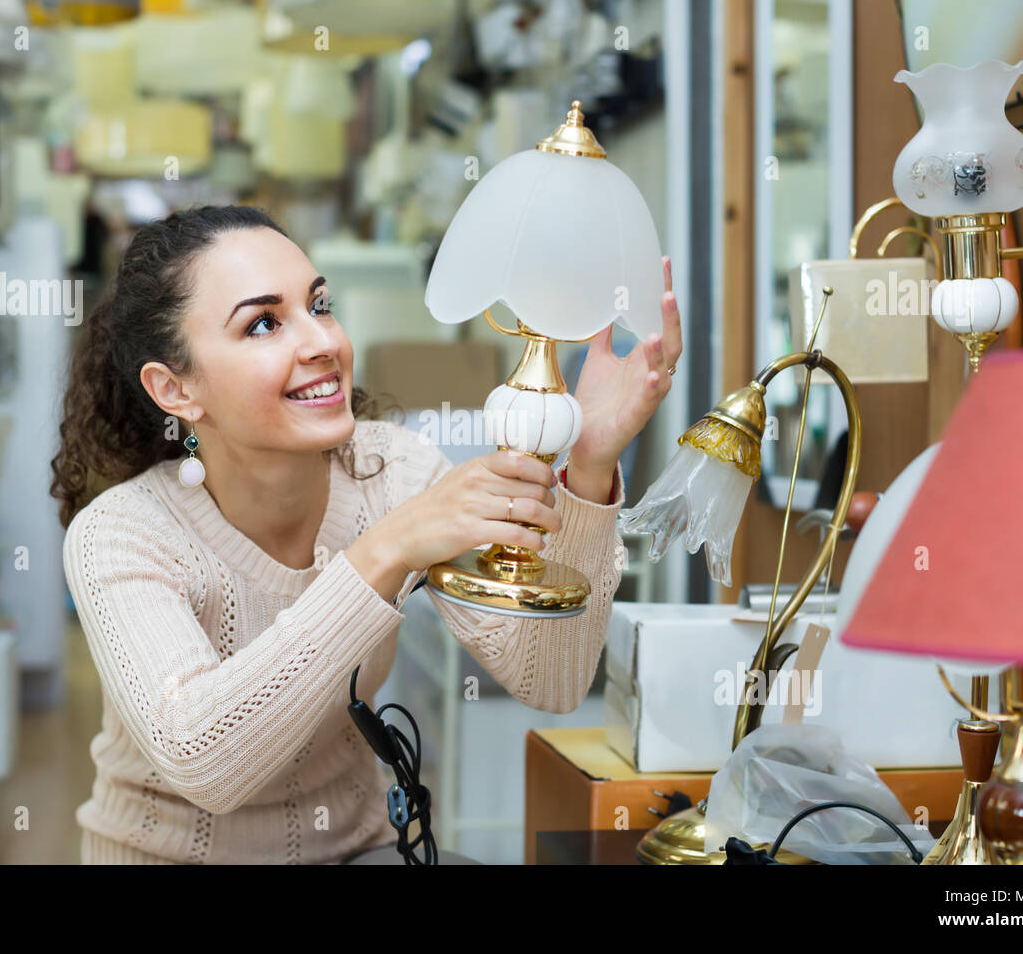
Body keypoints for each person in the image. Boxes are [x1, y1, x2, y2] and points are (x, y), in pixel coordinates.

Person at [50, 204, 682, 864]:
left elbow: (550, 681)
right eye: (264, 323)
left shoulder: (395, 474)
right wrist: (385, 550)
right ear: (175, 389)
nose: (323, 342)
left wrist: (588, 467)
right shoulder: (120, 534)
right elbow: (206, 764)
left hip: (355, 852)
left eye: (318, 305)